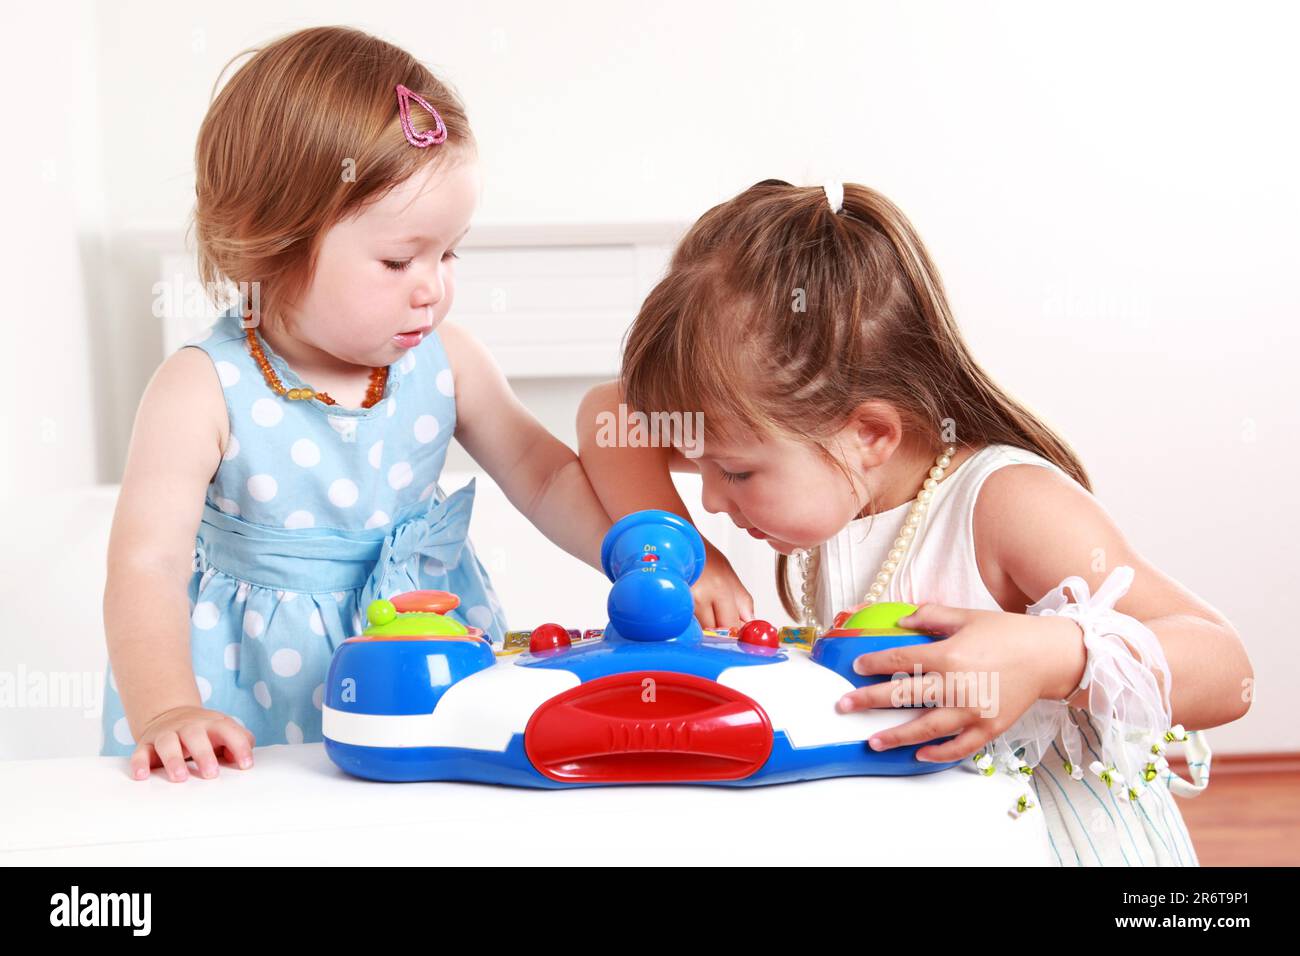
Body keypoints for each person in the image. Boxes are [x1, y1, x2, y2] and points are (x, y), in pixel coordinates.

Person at [576, 178, 1250, 864]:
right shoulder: (830, 462)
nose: (714, 500)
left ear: (869, 434)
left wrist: (1053, 656)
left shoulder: (1005, 505)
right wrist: (682, 547)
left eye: (737, 474)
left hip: (1056, 842)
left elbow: (1225, 665)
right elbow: (608, 419)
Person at [101, 27, 611, 782]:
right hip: (248, 706)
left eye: (449, 253)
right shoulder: (203, 387)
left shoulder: (449, 362)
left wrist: (634, 557)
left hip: (419, 673)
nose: (431, 285)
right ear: (268, 243)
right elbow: (147, 562)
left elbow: (544, 476)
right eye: (399, 259)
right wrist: (168, 709)